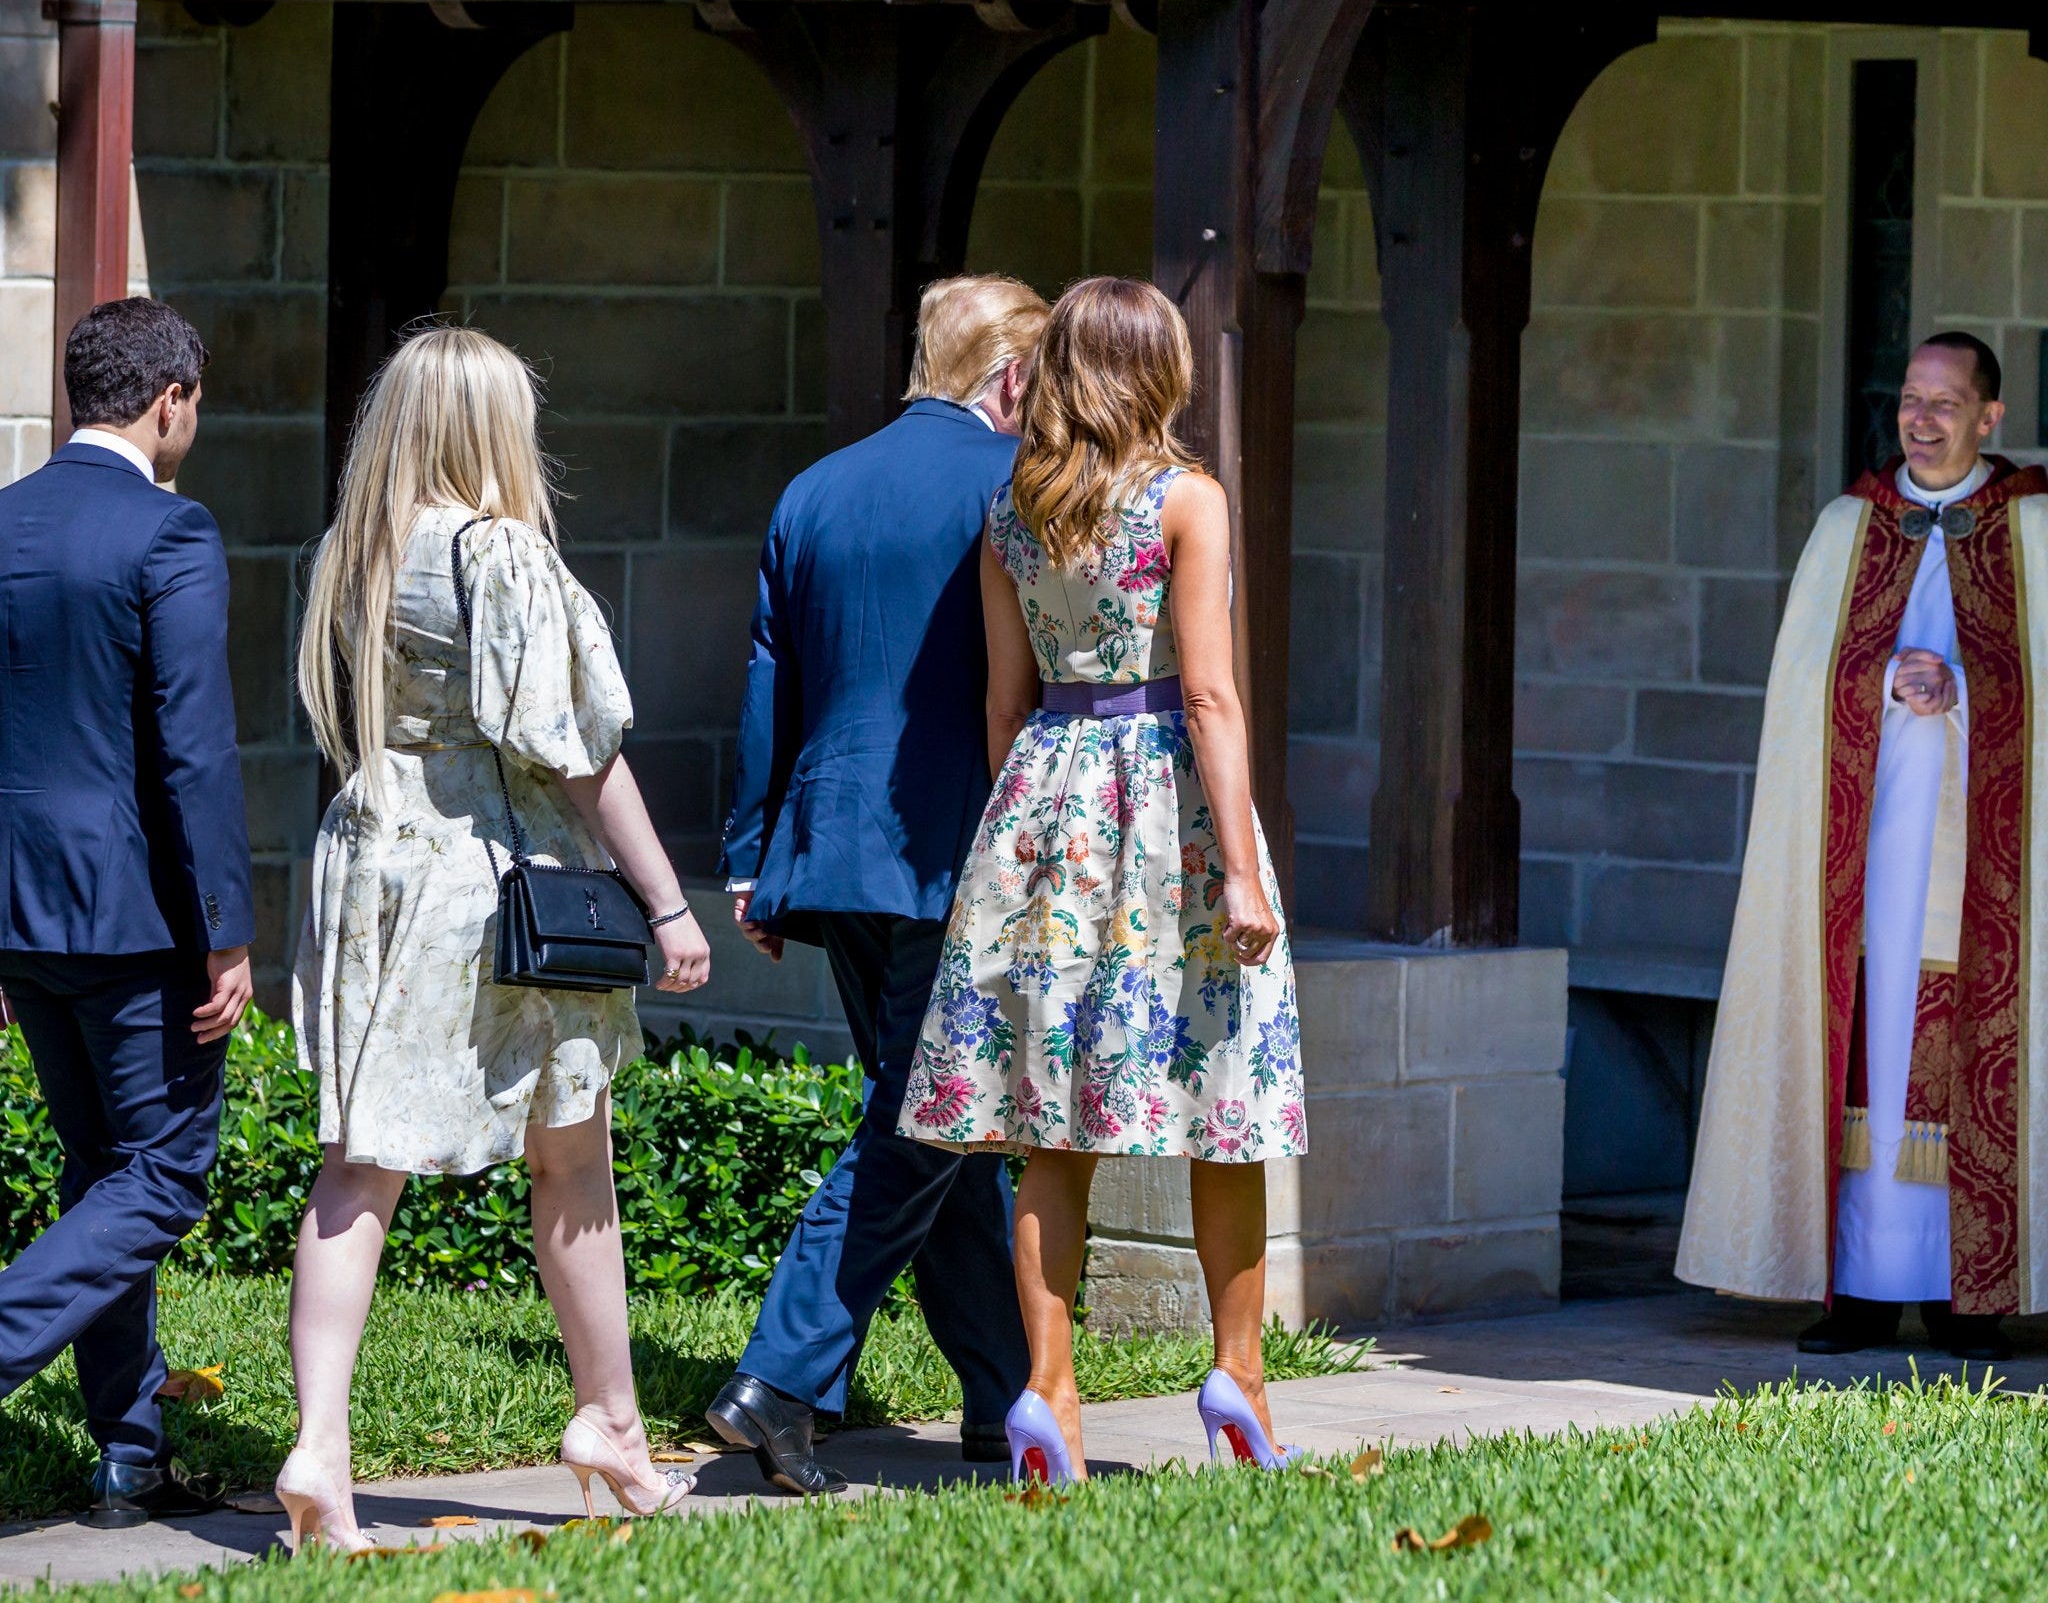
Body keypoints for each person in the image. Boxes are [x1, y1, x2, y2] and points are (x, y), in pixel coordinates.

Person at [279, 324, 710, 1549]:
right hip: (489, 882)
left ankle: (318, 1451)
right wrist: (667, 902)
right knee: (571, 1159)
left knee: (356, 1165)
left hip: (370, 858)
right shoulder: (500, 551)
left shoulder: (353, 552)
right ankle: (611, 1423)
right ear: (491, 428)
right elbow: (581, 754)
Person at [902, 276, 1307, 1484]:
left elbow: (1004, 703)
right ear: (1158, 370)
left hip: (1046, 806)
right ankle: (1239, 1379)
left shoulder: (1012, 511)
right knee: (1224, 1105)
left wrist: (1026, 844)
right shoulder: (1188, 499)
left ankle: (1048, 1394)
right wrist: (1242, 873)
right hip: (1172, 807)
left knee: (1050, 1124)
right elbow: (1212, 694)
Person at [1676, 332, 2048, 1360]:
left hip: (1991, 861)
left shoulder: (2037, 532)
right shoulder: (1847, 527)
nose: (1921, 419)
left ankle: (1967, 1298)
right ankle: (1852, 1291)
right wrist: (1882, 682)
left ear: (1989, 416)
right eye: (1909, 399)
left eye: (1945, 402)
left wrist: (1966, 690)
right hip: (1864, 857)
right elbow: (1798, 688)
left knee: (1968, 1046)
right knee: (1865, 1042)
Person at [706, 276, 1045, 1494]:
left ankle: (1005, 1400)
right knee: (926, 1122)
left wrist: (752, 854)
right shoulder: (1014, 481)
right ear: (1012, 376)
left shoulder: (815, 488)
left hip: (829, 848)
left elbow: (769, 683)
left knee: (942, 1123)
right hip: (952, 849)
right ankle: (779, 1378)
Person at [0, 298, 253, 1527]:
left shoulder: (3, 521)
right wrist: (230, 928)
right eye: (195, 403)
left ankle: (129, 1454)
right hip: (137, 920)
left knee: (101, 1171)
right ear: (169, 402)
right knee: (164, 1176)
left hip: (19, 913)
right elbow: (196, 746)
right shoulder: (172, 529)